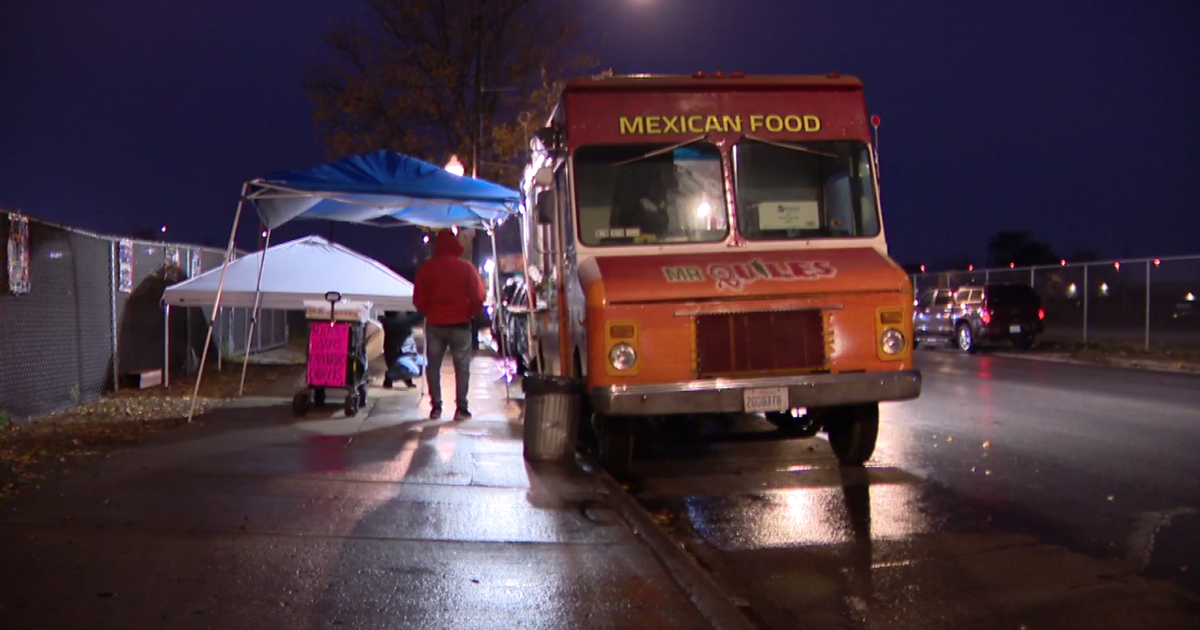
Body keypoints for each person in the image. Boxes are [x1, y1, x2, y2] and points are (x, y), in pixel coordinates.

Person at [413, 228, 486, 420]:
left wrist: (429, 311)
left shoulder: (426, 269)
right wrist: (470, 313)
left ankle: (436, 407)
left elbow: (418, 300)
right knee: (462, 368)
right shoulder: (467, 268)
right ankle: (461, 408)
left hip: (435, 324)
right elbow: (478, 296)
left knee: (433, 366)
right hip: (460, 324)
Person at [379, 310, 424, 388]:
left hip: (407, 353)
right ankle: (391, 376)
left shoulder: (393, 322)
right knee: (412, 368)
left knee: (428, 365)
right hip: (399, 354)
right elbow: (414, 318)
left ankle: (404, 378)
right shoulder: (395, 323)